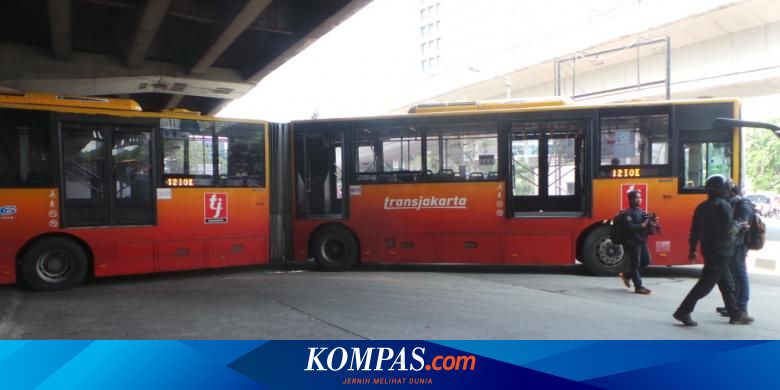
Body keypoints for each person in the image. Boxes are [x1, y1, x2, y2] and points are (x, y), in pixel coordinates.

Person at [673, 174, 753, 326]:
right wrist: (740, 226)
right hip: (721, 250)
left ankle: (735, 313)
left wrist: (692, 249)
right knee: (705, 285)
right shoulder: (723, 205)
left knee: (726, 283)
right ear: (723, 188)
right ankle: (683, 311)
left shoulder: (702, 206)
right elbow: (728, 230)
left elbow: (694, 231)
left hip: (709, 249)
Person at [715, 185, 753, 318]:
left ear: (731, 193)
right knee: (733, 276)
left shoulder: (743, 206)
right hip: (732, 245)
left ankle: (742, 308)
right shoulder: (733, 204)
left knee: (739, 275)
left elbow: (738, 226)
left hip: (739, 246)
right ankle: (733, 306)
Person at [617, 189, 653, 295]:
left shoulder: (641, 211)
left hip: (641, 240)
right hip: (632, 242)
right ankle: (638, 286)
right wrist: (642, 226)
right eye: (636, 198)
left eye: (640, 197)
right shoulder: (626, 213)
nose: (639, 199)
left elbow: (645, 225)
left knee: (646, 261)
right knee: (635, 264)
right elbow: (628, 227)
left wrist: (651, 222)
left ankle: (626, 275)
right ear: (631, 199)